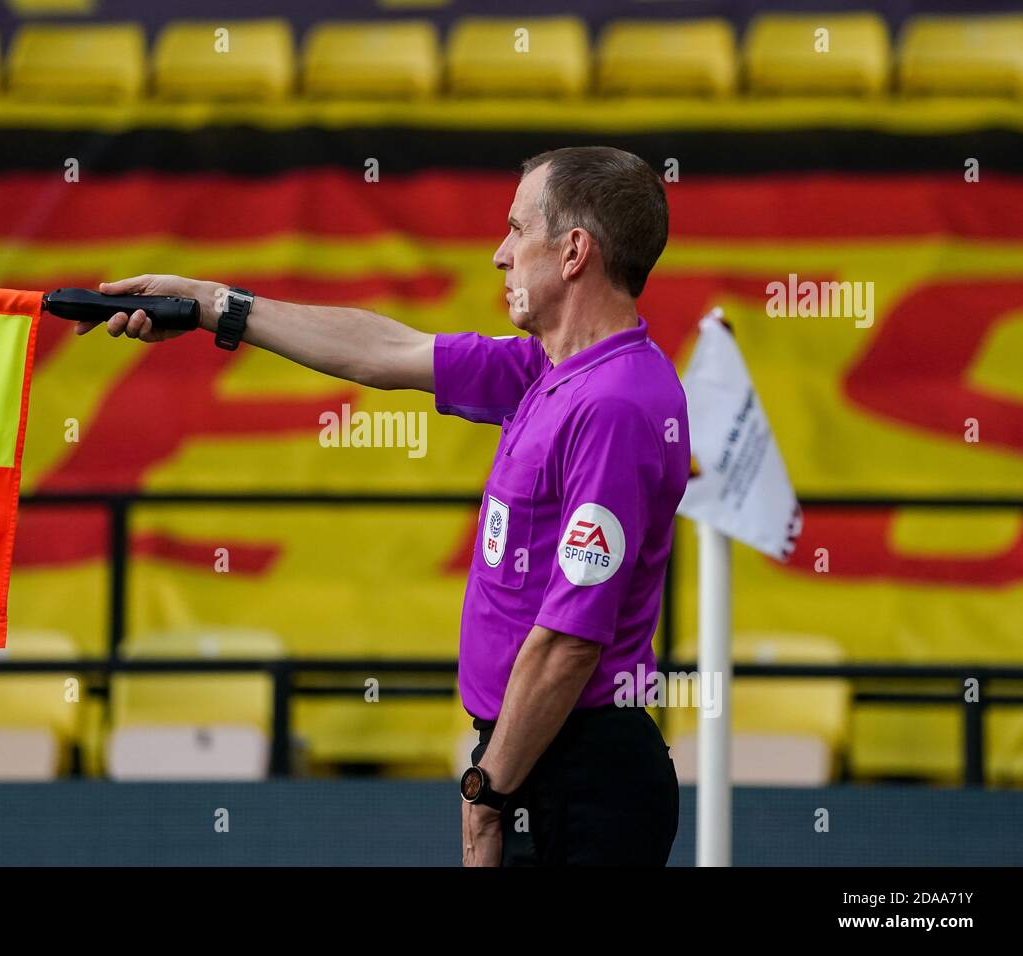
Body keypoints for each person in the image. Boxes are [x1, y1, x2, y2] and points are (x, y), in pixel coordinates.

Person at [81, 146, 687, 866]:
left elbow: (568, 642)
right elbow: (384, 350)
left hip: (577, 773)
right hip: (538, 758)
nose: (500, 254)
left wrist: (488, 792)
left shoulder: (612, 405)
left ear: (575, 252)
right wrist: (215, 305)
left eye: (517, 229)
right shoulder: (547, 368)